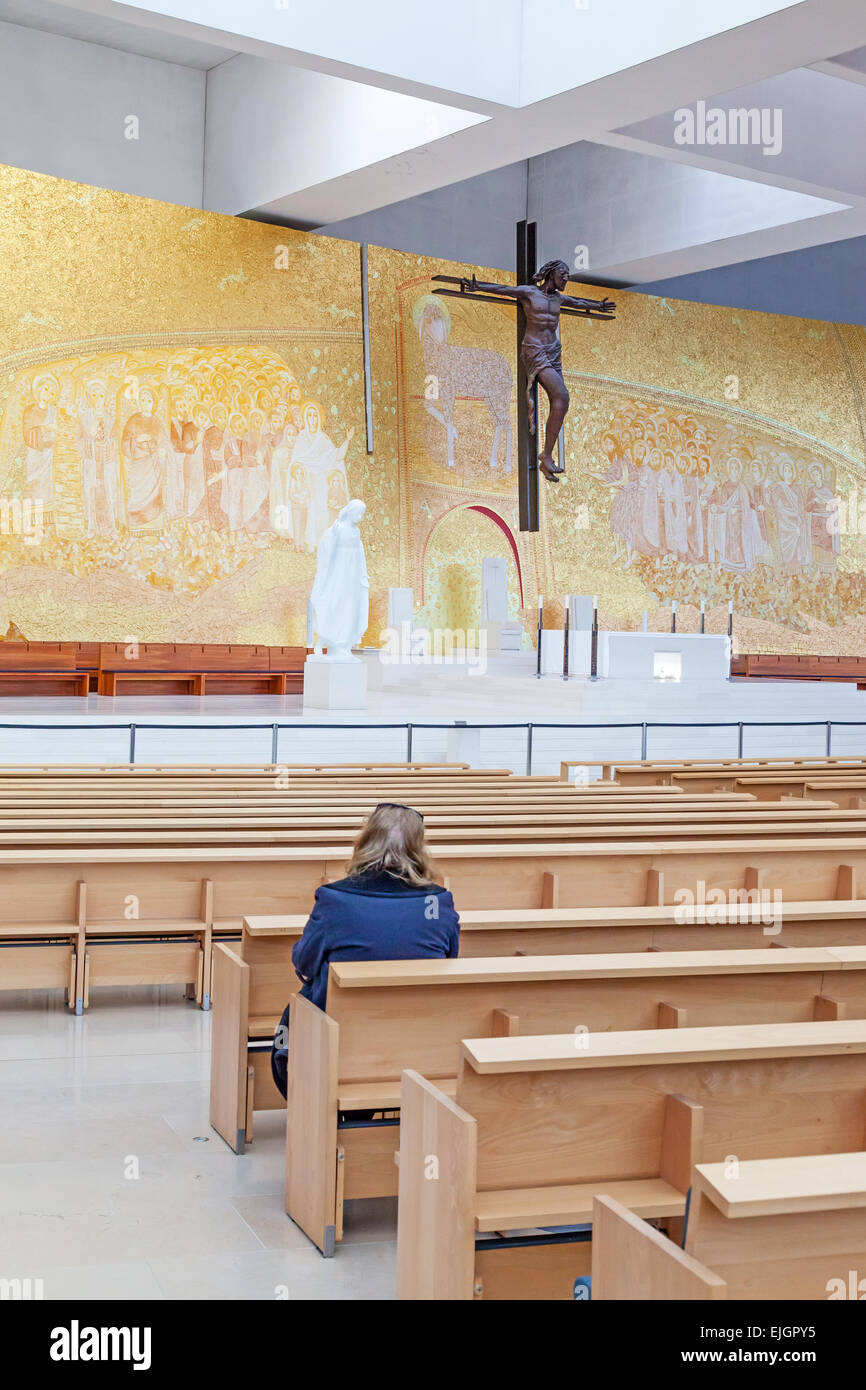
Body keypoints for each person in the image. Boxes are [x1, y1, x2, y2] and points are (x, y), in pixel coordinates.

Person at [270, 803, 460, 1101]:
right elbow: (450, 961)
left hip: (342, 1028)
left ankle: (303, 1102)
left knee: (291, 1021)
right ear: (419, 848)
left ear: (366, 840)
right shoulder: (439, 901)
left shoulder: (335, 898)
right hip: (418, 1025)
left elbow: (303, 961)